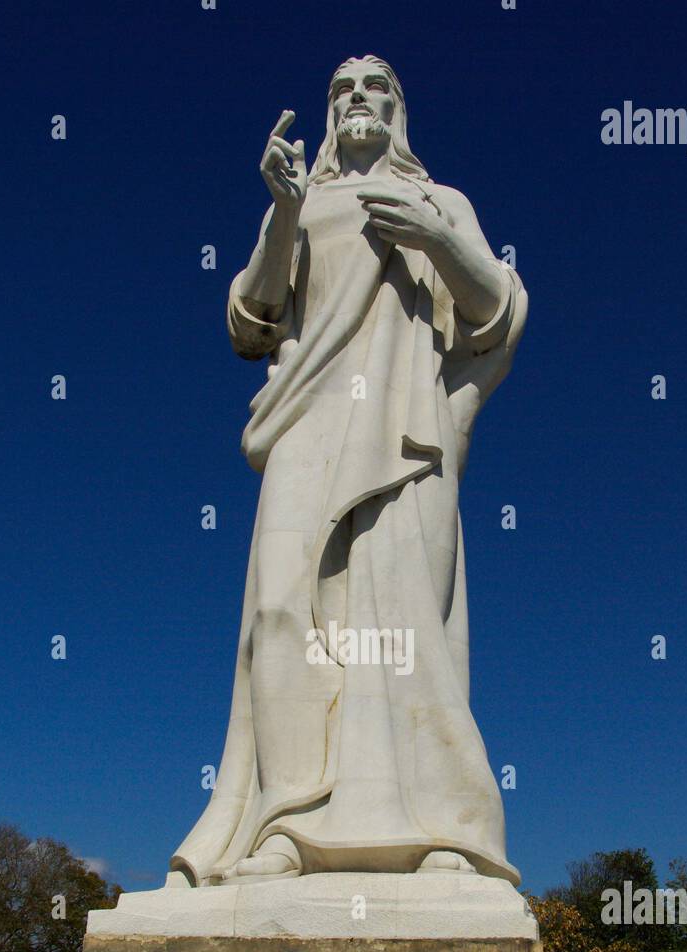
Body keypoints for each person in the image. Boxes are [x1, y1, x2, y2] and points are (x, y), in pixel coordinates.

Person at [170, 56, 528, 886]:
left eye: (375, 87)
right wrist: (283, 211)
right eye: (342, 89)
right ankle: (285, 828)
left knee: (404, 617)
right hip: (308, 421)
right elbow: (250, 322)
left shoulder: (441, 203)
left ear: (399, 110)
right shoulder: (301, 206)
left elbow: (498, 312)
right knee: (279, 611)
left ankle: (447, 830)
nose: (357, 97)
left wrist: (437, 240)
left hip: (405, 430)